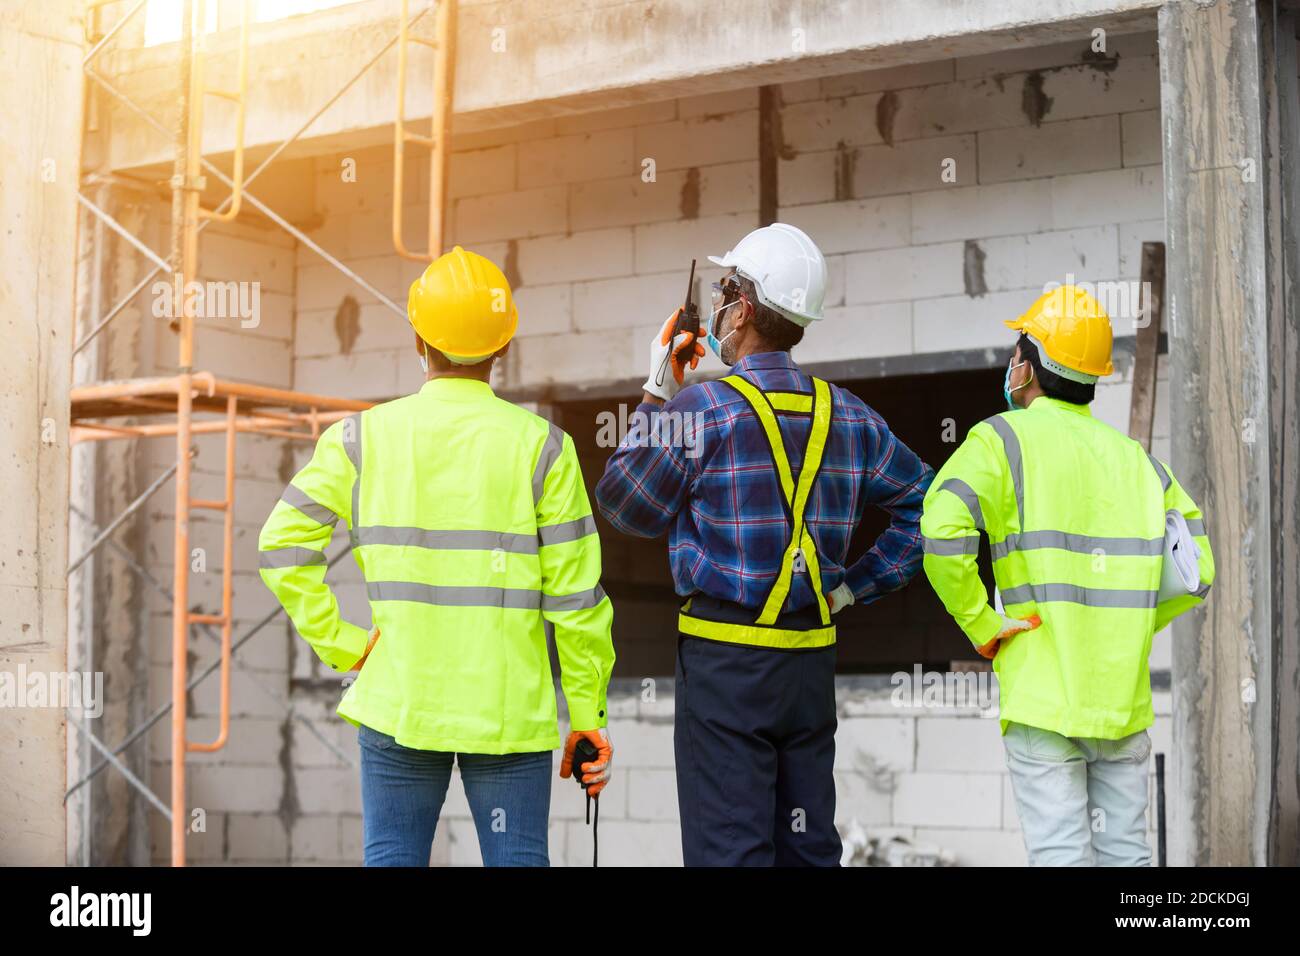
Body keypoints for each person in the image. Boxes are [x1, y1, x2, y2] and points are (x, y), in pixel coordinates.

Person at [258, 246, 615, 866]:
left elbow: (283, 549)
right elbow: (577, 602)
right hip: (507, 714)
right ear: (503, 347)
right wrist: (587, 714)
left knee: (393, 856)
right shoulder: (545, 450)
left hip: (400, 701)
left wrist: (343, 643)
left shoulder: (358, 440)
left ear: (417, 339)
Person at [594, 223, 933, 866]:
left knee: (731, 850)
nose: (717, 304)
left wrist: (657, 385)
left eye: (725, 290)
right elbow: (934, 513)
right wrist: (854, 586)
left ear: (744, 309)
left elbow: (625, 502)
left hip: (726, 667)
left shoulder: (703, 410)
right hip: (808, 665)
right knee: (807, 851)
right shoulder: (850, 416)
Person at [920, 283, 1214, 866]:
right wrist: (1128, 626)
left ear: (1028, 367)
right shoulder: (1139, 463)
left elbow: (941, 532)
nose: (1011, 364)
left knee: (1061, 857)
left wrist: (981, 621)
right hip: (1121, 703)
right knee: (1128, 862)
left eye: (1016, 351)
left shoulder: (1001, 440)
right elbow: (1198, 568)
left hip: (1043, 701)